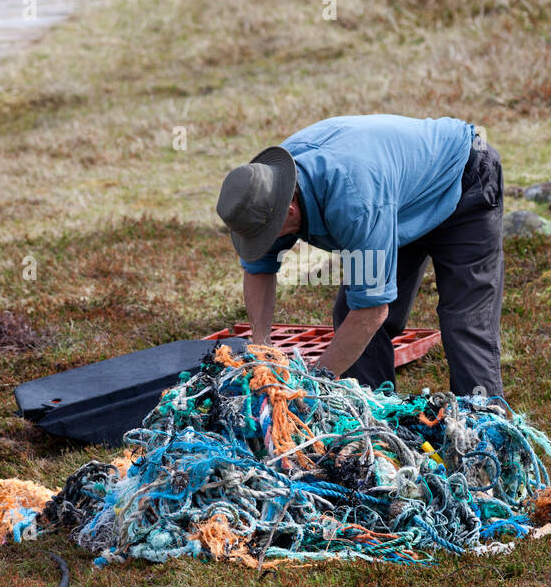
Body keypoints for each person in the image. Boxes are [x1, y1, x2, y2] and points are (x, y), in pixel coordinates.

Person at [215, 114, 504, 396]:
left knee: (464, 322)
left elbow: (371, 312)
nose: (266, 243)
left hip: (464, 178)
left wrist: (310, 386)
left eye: (267, 236)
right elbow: (258, 268)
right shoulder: (263, 191)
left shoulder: (355, 205)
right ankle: (373, 419)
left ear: (288, 211)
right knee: (349, 313)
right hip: (397, 200)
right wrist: (262, 349)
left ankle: (484, 428)